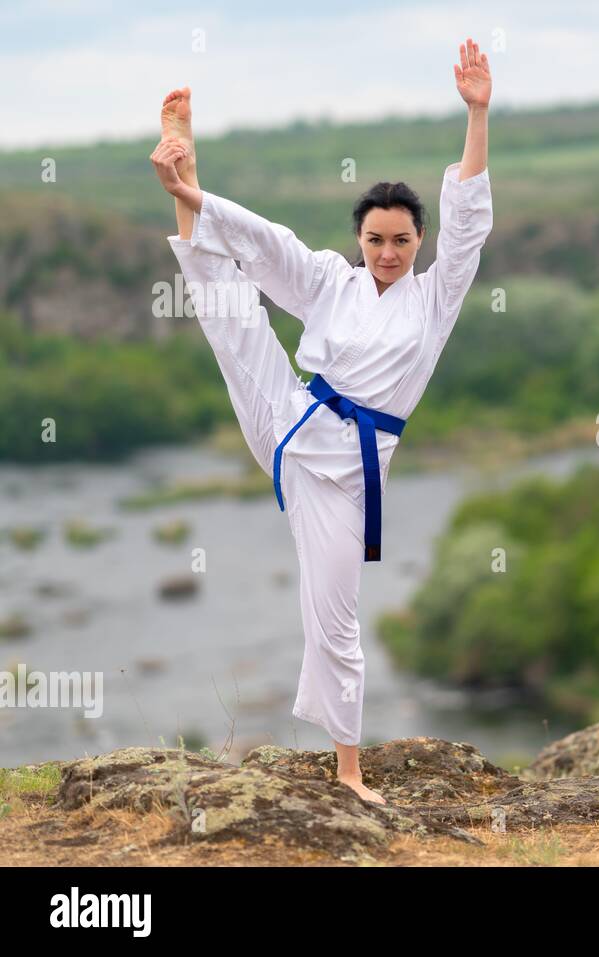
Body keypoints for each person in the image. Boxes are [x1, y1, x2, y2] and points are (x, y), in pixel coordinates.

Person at [150, 39, 494, 805]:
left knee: (336, 616)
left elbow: (469, 223)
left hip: (350, 472)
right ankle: (186, 177)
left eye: (403, 239)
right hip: (292, 418)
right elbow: (269, 245)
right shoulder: (332, 282)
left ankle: (348, 769)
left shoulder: (435, 301)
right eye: (375, 238)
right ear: (359, 238)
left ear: (418, 242)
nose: (389, 252)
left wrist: (476, 113)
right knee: (233, 313)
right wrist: (197, 197)